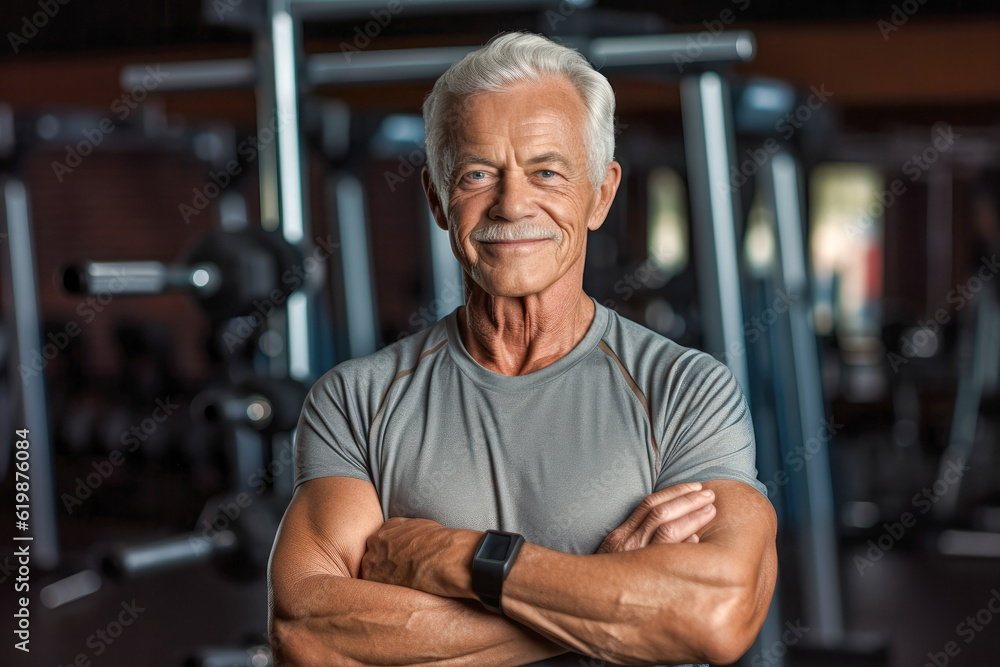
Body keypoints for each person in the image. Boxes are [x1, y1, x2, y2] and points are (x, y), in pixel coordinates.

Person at [268, 31, 776, 666]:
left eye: (547, 172)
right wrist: (607, 598)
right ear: (436, 198)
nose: (511, 204)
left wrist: (455, 559)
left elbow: (714, 616)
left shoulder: (684, 390)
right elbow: (307, 634)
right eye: (479, 174)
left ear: (601, 193)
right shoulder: (356, 399)